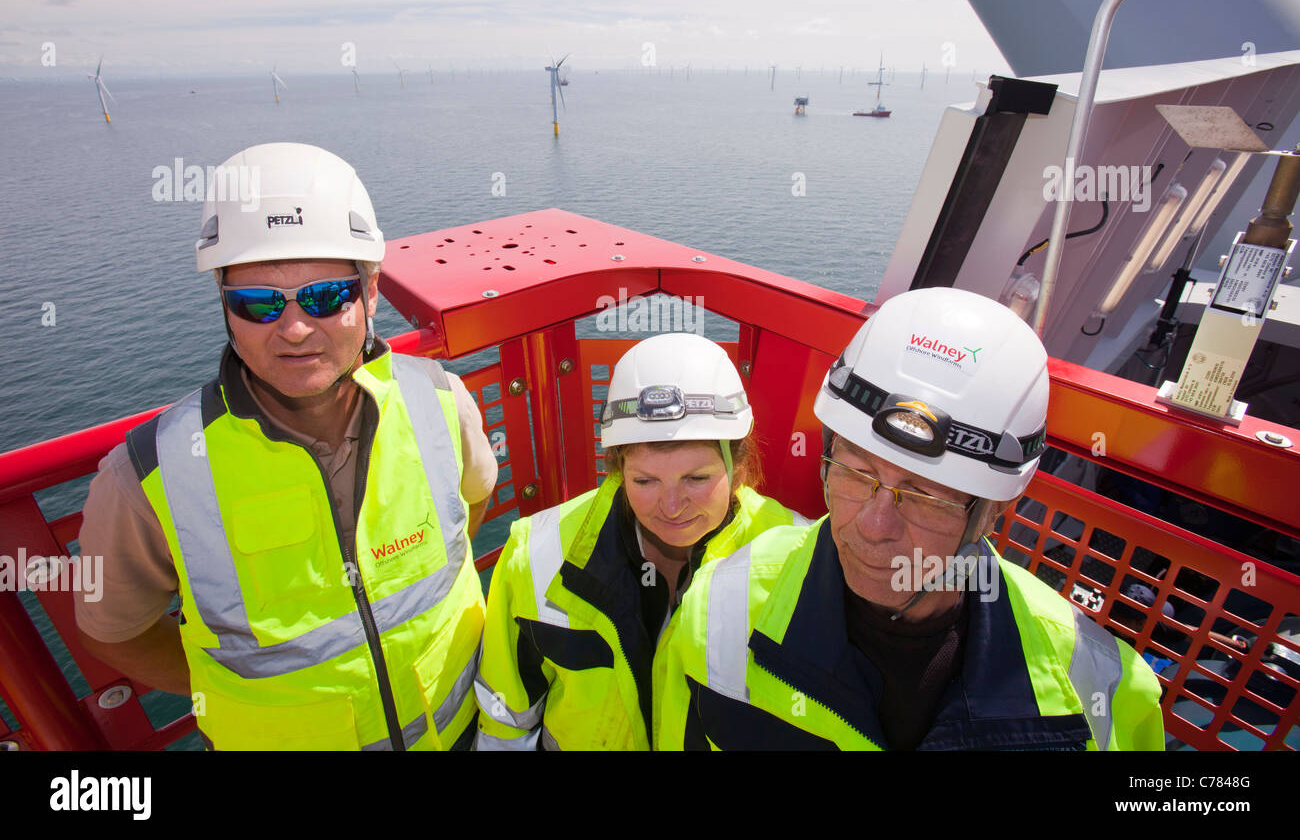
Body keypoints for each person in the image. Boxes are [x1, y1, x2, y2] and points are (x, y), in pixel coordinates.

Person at [74, 142, 497, 750]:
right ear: (223, 305)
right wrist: (231, 694)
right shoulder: (149, 475)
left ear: (371, 292)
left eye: (327, 297)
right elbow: (114, 631)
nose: (295, 329)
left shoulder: (439, 400)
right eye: (258, 303)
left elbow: (471, 507)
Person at [656, 287, 1164, 750]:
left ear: (992, 512)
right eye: (856, 473)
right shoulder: (719, 609)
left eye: (925, 497)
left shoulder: (1098, 689)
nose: (873, 528)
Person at [474, 332, 811, 750]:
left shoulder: (802, 560)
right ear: (617, 470)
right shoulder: (537, 553)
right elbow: (505, 718)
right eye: (645, 481)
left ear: (738, 466)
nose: (671, 507)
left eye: (697, 478)